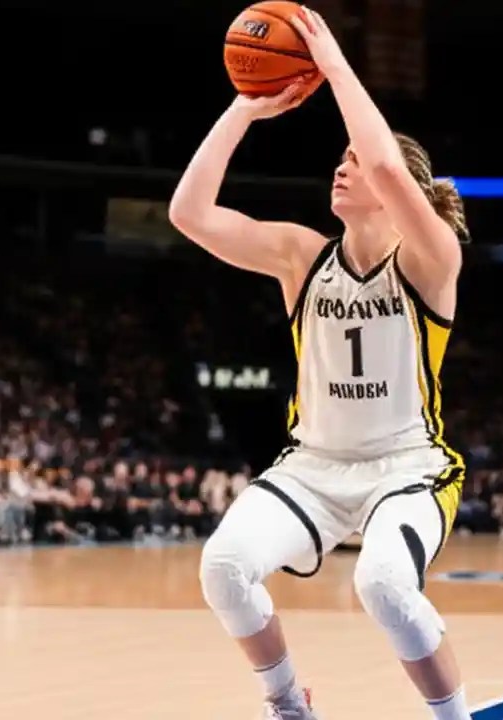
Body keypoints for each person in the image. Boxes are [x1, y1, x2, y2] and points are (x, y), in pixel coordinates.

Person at [168, 7, 472, 719]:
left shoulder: (431, 261)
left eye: (353, 161)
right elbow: (189, 212)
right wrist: (245, 109)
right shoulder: (302, 257)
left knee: (384, 584)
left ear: (397, 191)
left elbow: (389, 164)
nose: (341, 167)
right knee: (223, 567)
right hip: (312, 467)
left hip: (407, 467)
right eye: (339, 159)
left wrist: (335, 66)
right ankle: (288, 704)